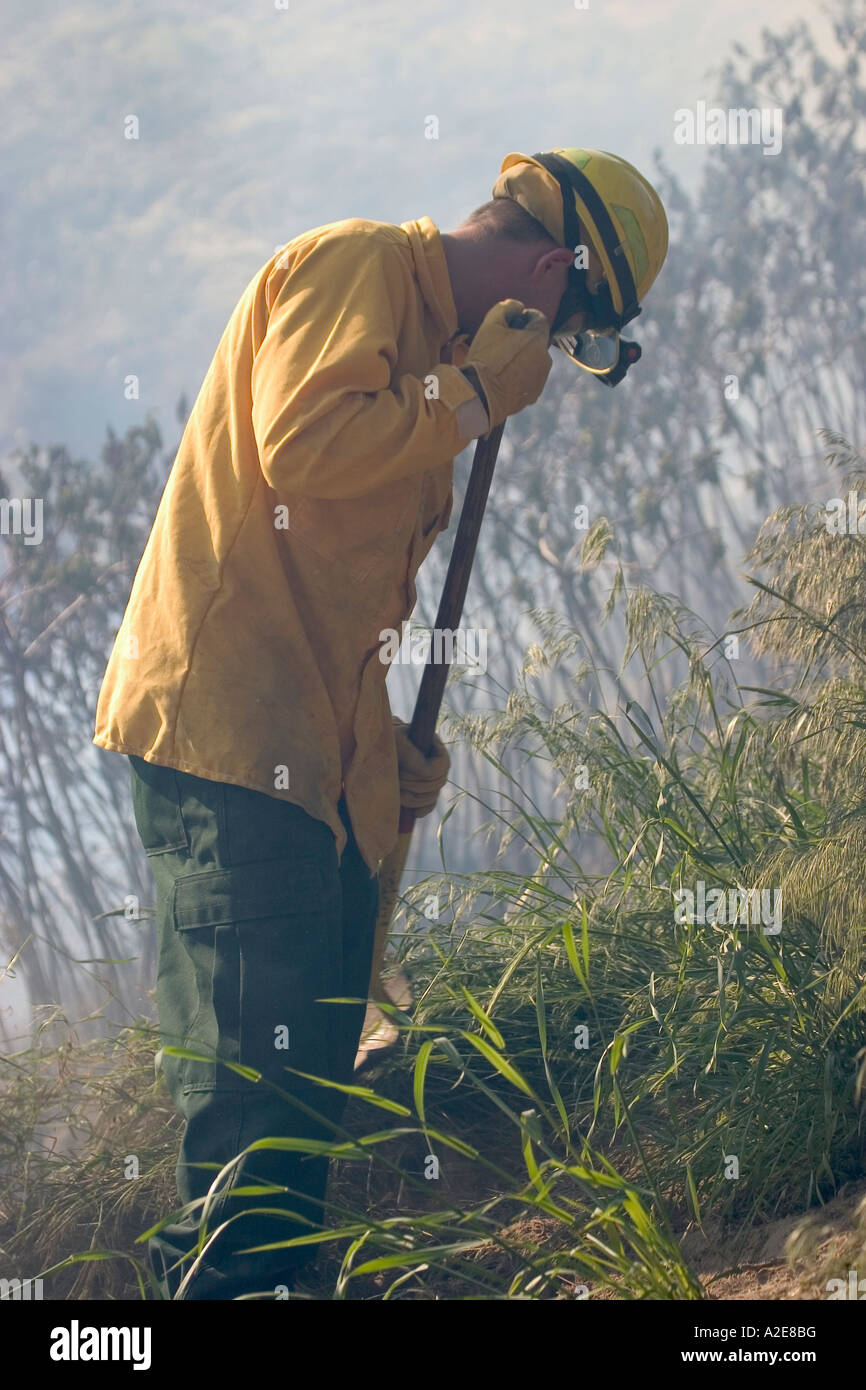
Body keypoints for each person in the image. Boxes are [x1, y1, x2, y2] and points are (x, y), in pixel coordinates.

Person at [93, 147, 668, 1300]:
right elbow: (300, 450)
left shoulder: (441, 365)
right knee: (255, 1087)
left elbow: (337, 595)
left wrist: (382, 758)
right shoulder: (355, 264)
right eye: (571, 328)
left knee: (308, 1068)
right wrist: (469, 398)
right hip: (220, 737)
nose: (551, 356)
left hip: (302, 743)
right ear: (552, 269)